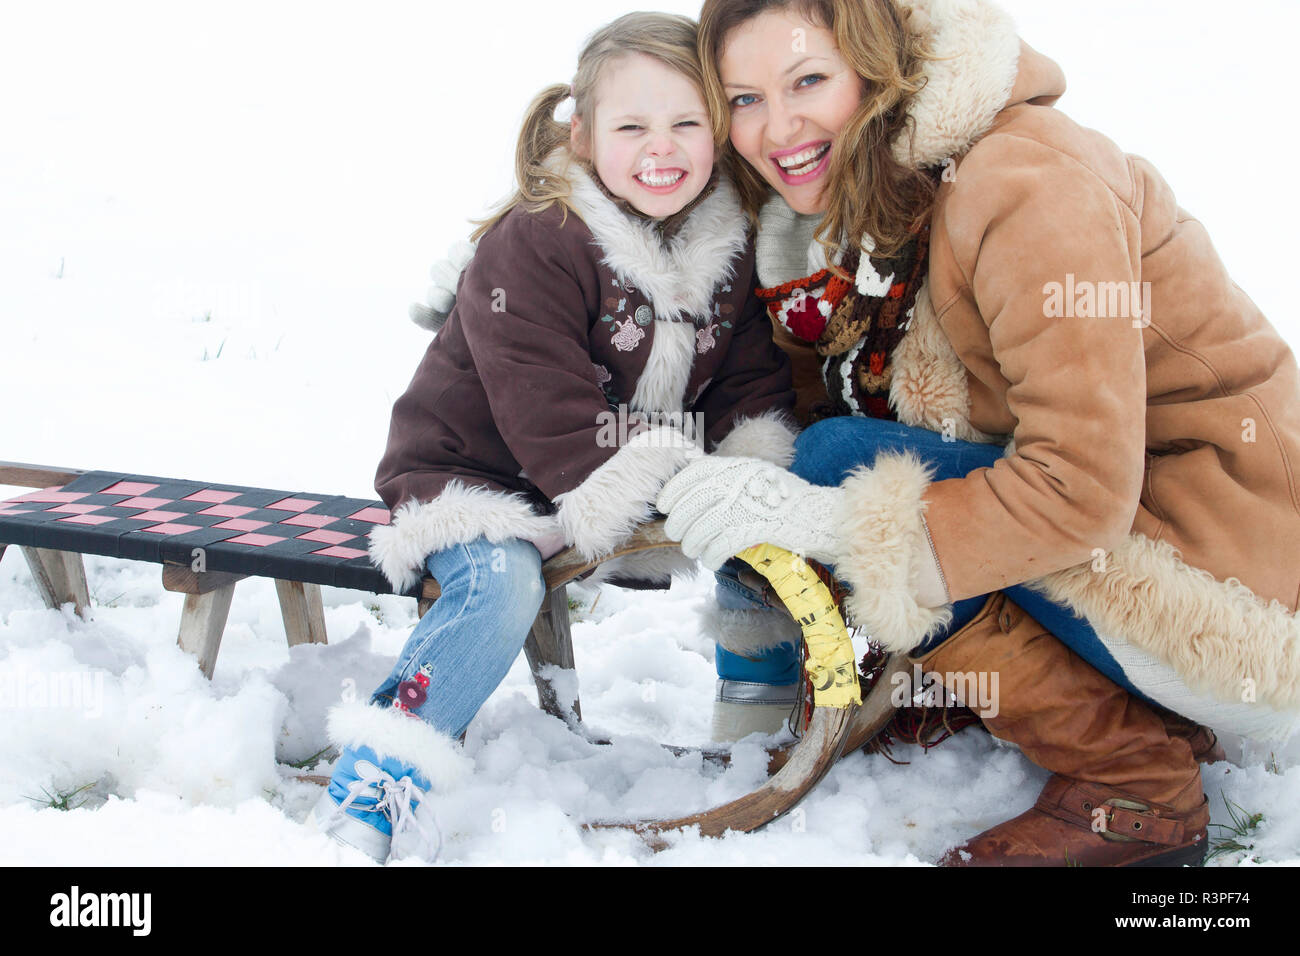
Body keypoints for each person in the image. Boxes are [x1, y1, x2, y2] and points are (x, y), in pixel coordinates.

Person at [653, 0, 1300, 866]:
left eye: (807, 80)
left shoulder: (1025, 181)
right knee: (829, 446)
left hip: (1235, 592)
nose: (778, 127)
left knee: (839, 464)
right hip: (1148, 555)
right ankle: (1110, 707)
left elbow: (1080, 488)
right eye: (744, 100)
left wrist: (836, 525)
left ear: (878, 68)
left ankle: (1136, 780)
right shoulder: (873, 198)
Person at [310, 11, 799, 864]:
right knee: (501, 584)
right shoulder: (539, 239)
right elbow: (543, 402)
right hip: (480, 477)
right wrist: (642, 467)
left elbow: (749, 379)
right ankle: (382, 772)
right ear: (581, 135)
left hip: (608, 473)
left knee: (754, 510)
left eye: (688, 123)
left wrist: (751, 468)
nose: (664, 147)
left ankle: (760, 725)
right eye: (633, 126)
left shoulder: (724, 245)